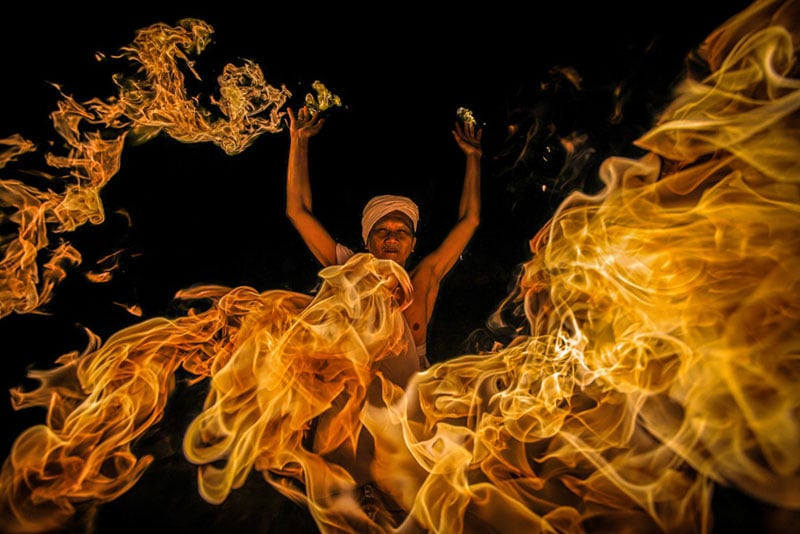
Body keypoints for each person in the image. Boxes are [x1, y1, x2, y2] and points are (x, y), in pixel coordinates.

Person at [285, 104, 482, 526]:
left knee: (412, 515)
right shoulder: (350, 269)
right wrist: (298, 142)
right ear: (368, 239)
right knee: (346, 513)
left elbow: (470, 220)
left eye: (401, 233)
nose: (392, 238)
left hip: (405, 420)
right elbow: (298, 212)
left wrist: (473, 157)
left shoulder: (424, 279)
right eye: (383, 231)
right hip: (347, 418)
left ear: (412, 243)